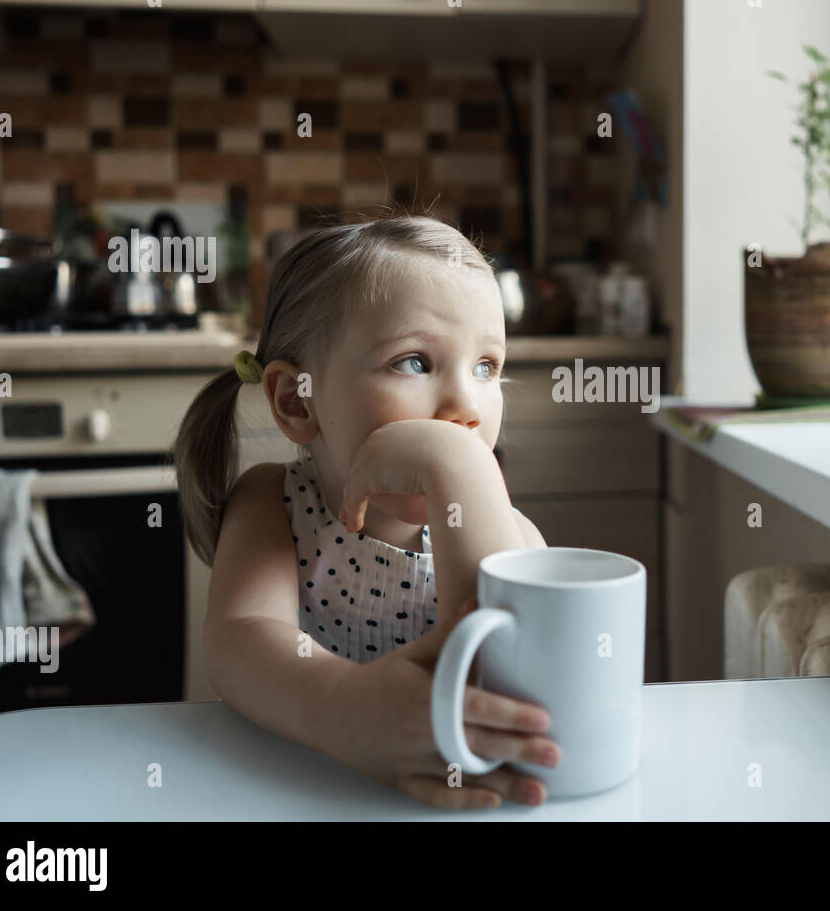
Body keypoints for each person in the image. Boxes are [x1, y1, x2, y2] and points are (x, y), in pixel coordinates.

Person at [173, 215, 558, 809]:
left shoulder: (513, 534)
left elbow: (503, 671)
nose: (468, 407)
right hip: (295, 795)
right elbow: (238, 642)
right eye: (414, 362)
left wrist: (458, 470)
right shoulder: (271, 504)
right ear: (296, 400)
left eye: (486, 368)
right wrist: (345, 711)